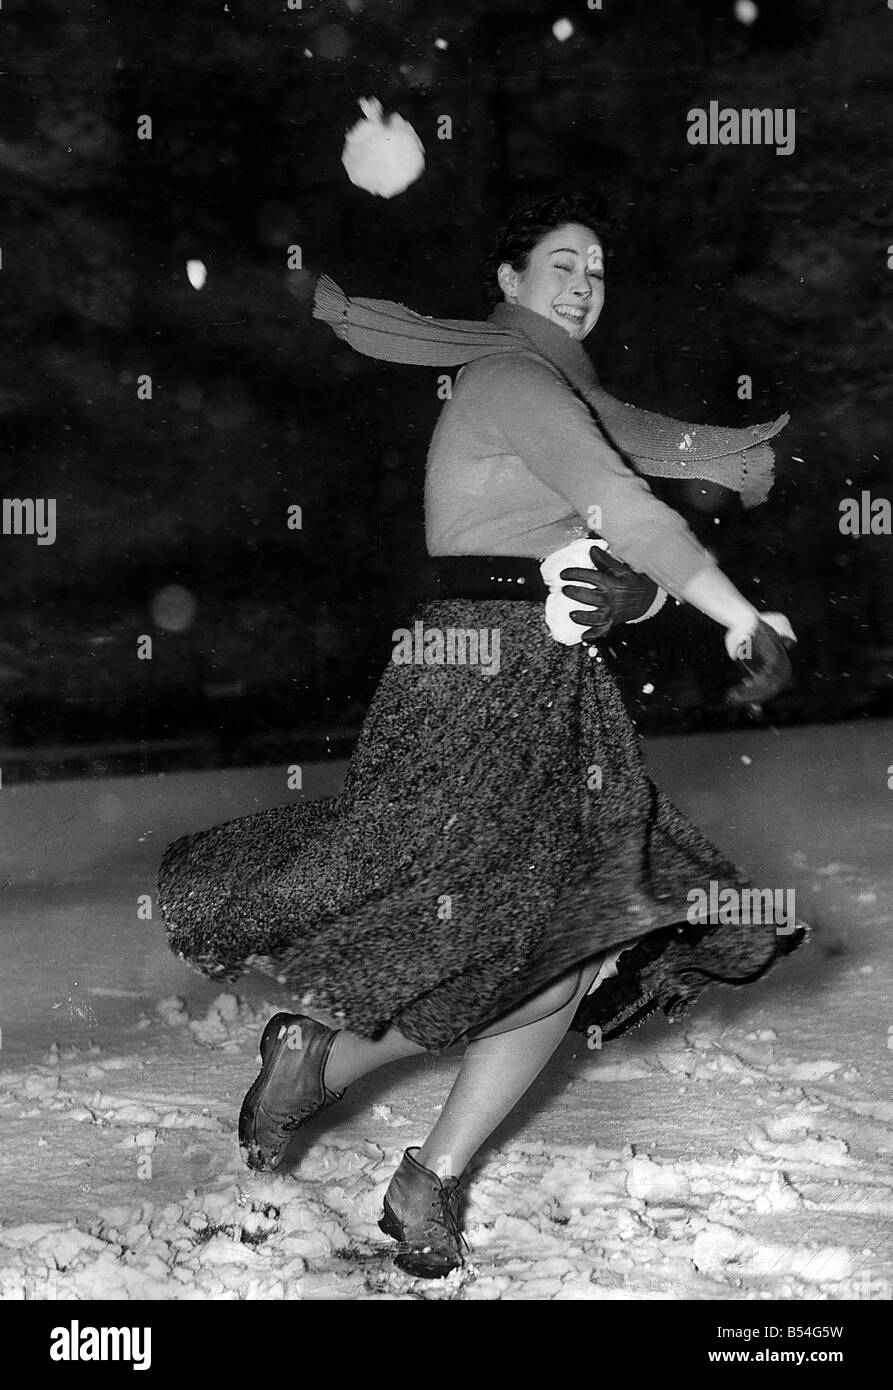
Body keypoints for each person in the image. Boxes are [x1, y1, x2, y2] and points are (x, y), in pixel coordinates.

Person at [157, 192, 806, 1281]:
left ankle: (413, 1162)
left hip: (557, 687)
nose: (584, 283)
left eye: (597, 266)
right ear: (507, 281)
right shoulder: (511, 380)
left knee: (569, 944)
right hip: (470, 682)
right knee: (504, 940)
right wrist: (736, 617)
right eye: (561, 263)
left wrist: (645, 601)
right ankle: (332, 1070)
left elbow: (592, 556)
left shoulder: (567, 390)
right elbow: (619, 505)